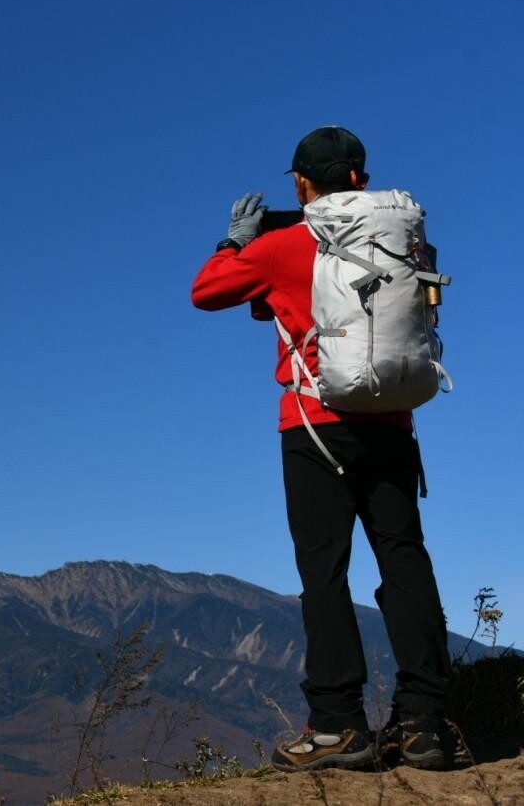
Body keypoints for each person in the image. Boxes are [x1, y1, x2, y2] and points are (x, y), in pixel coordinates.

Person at [190, 126, 451, 772]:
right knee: (405, 559)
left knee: (324, 572)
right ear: (361, 177)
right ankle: (425, 724)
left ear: (303, 182)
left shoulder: (281, 246)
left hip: (313, 424)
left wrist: (235, 240)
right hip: (392, 422)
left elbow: (206, 290)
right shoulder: (405, 242)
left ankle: (339, 726)